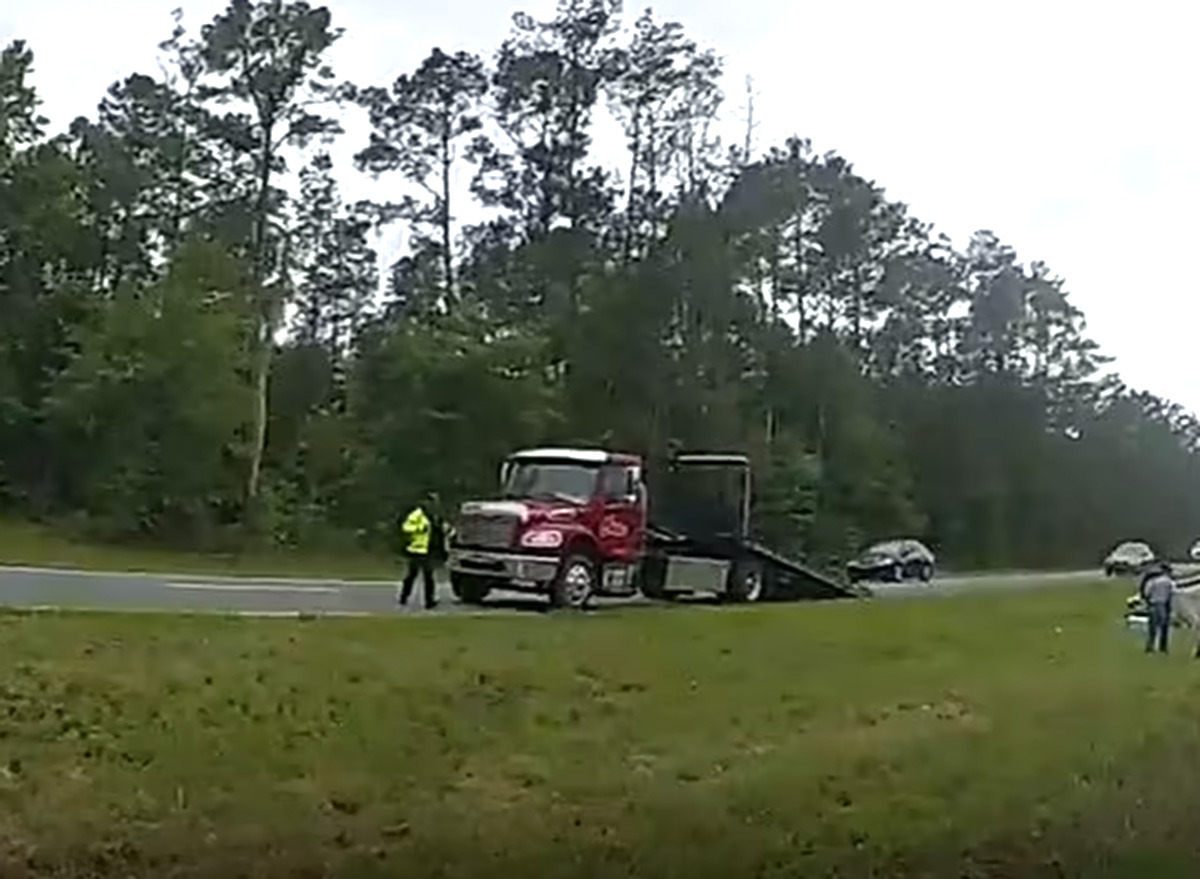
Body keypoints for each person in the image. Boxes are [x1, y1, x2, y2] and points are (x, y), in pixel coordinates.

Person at [397, 493, 439, 610]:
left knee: (428, 576)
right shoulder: (416, 515)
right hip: (416, 549)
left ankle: (429, 601)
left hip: (427, 550)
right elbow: (406, 527)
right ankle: (404, 596)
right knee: (412, 575)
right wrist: (419, 529)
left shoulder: (432, 515)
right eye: (430, 501)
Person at [1139, 560, 1176, 654]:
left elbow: (1147, 593)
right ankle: (1163, 647)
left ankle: (1150, 647)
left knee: (1153, 628)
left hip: (1153, 604)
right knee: (1164, 628)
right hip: (1164, 605)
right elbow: (1173, 594)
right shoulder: (1170, 582)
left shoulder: (1153, 581)